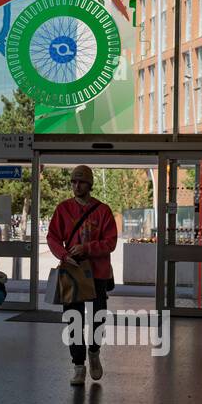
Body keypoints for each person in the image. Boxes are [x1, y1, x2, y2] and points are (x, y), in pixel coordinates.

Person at [47, 165, 118, 386]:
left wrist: (87, 248)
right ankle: (78, 365)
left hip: (98, 273)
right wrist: (63, 254)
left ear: (90, 185)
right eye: (74, 182)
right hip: (73, 271)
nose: (77, 186)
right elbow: (53, 237)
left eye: (82, 182)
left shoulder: (103, 210)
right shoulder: (63, 209)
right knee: (74, 319)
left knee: (99, 316)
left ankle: (94, 351)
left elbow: (111, 242)